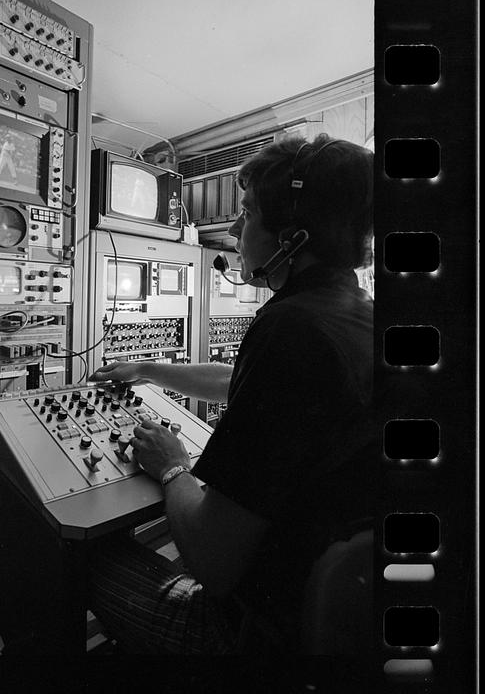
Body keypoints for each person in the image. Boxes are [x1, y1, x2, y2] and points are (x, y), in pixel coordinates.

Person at [87, 133, 375, 658]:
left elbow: (211, 560)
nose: (235, 230)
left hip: (250, 636)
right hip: (344, 620)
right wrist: (148, 366)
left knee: (78, 552)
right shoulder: (355, 316)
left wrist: (173, 466)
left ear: (293, 234)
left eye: (247, 213)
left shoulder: (289, 327)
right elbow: (241, 381)